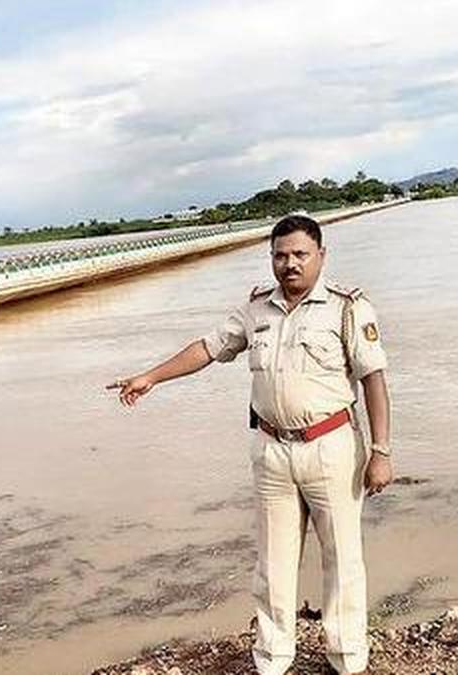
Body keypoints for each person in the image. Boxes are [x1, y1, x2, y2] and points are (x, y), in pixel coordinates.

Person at [108, 214, 393, 675]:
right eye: (280, 255)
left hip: (332, 448)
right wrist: (150, 378)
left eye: (300, 254)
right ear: (271, 259)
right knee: (273, 564)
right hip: (271, 452)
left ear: (321, 255)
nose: (290, 264)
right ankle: (273, 660)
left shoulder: (348, 309)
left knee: (343, 558)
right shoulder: (255, 310)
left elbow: (374, 380)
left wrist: (381, 452)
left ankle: (347, 659)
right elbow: (207, 348)